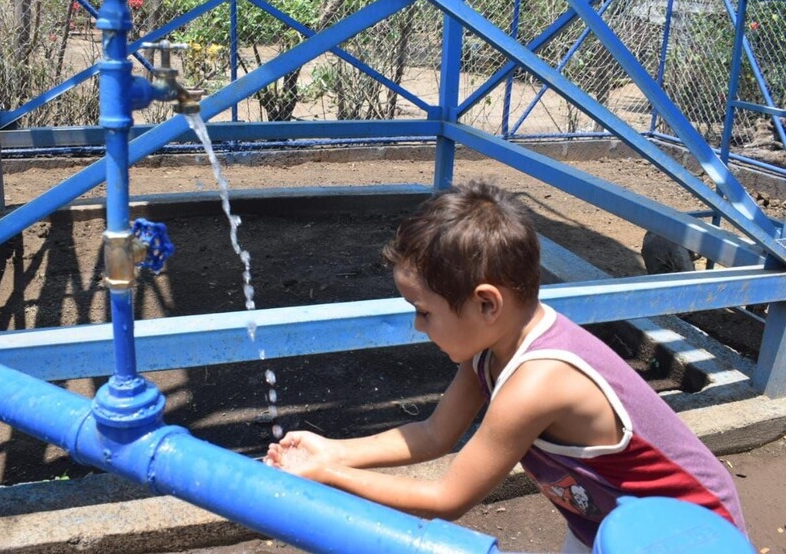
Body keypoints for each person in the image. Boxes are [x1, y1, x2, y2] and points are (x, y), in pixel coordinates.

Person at [264, 180, 746, 552]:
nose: (417, 326)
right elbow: (434, 435)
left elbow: (448, 497)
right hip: (604, 520)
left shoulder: (537, 382)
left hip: (685, 530)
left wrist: (329, 475)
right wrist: (335, 451)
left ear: (487, 304)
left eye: (424, 310)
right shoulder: (492, 350)